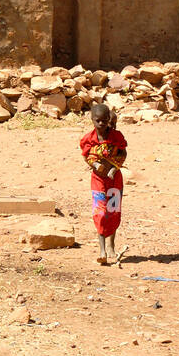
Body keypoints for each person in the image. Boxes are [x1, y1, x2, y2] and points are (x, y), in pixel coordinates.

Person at [80, 102, 127, 266]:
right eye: (97, 120)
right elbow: (86, 156)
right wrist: (94, 165)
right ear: (92, 119)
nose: (100, 124)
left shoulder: (116, 137)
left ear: (109, 120)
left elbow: (123, 153)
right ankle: (102, 250)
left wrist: (115, 168)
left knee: (113, 212)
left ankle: (111, 246)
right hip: (98, 180)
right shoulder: (89, 139)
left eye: (104, 120)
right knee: (100, 213)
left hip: (114, 180)